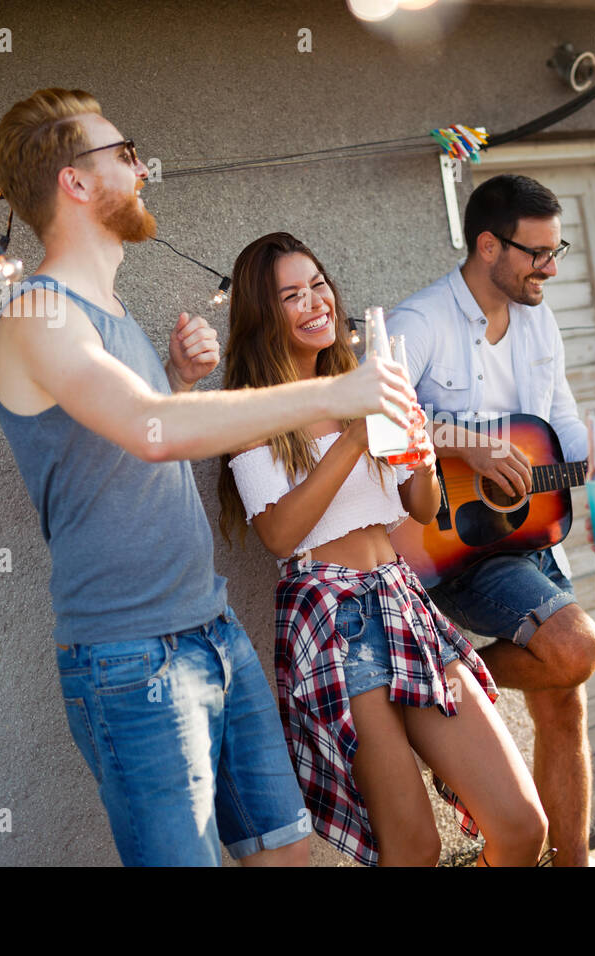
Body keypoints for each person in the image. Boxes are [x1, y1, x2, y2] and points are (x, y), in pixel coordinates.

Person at [0, 89, 415, 866]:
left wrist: (178, 386)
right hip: (129, 656)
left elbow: (137, 441)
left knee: (288, 854)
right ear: (75, 184)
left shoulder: (104, 310)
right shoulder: (39, 315)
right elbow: (150, 435)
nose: (142, 166)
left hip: (213, 630)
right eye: (123, 153)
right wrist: (334, 394)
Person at [219, 232, 548, 867]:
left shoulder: (364, 381)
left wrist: (419, 455)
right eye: (291, 295)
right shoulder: (252, 413)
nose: (314, 302)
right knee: (414, 849)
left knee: (519, 823)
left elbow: (420, 506)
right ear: (265, 316)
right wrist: (353, 431)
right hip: (332, 617)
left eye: (318, 284)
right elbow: (280, 536)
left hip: (400, 597)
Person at [387, 174, 595, 866]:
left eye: (558, 249)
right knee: (574, 650)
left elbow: (560, 413)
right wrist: (466, 444)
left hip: (533, 532)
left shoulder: (538, 316)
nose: (552, 267)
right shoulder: (418, 323)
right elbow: (372, 416)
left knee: (564, 701)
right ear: (487, 245)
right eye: (536, 252)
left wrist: (594, 456)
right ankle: (442, 703)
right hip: (449, 545)